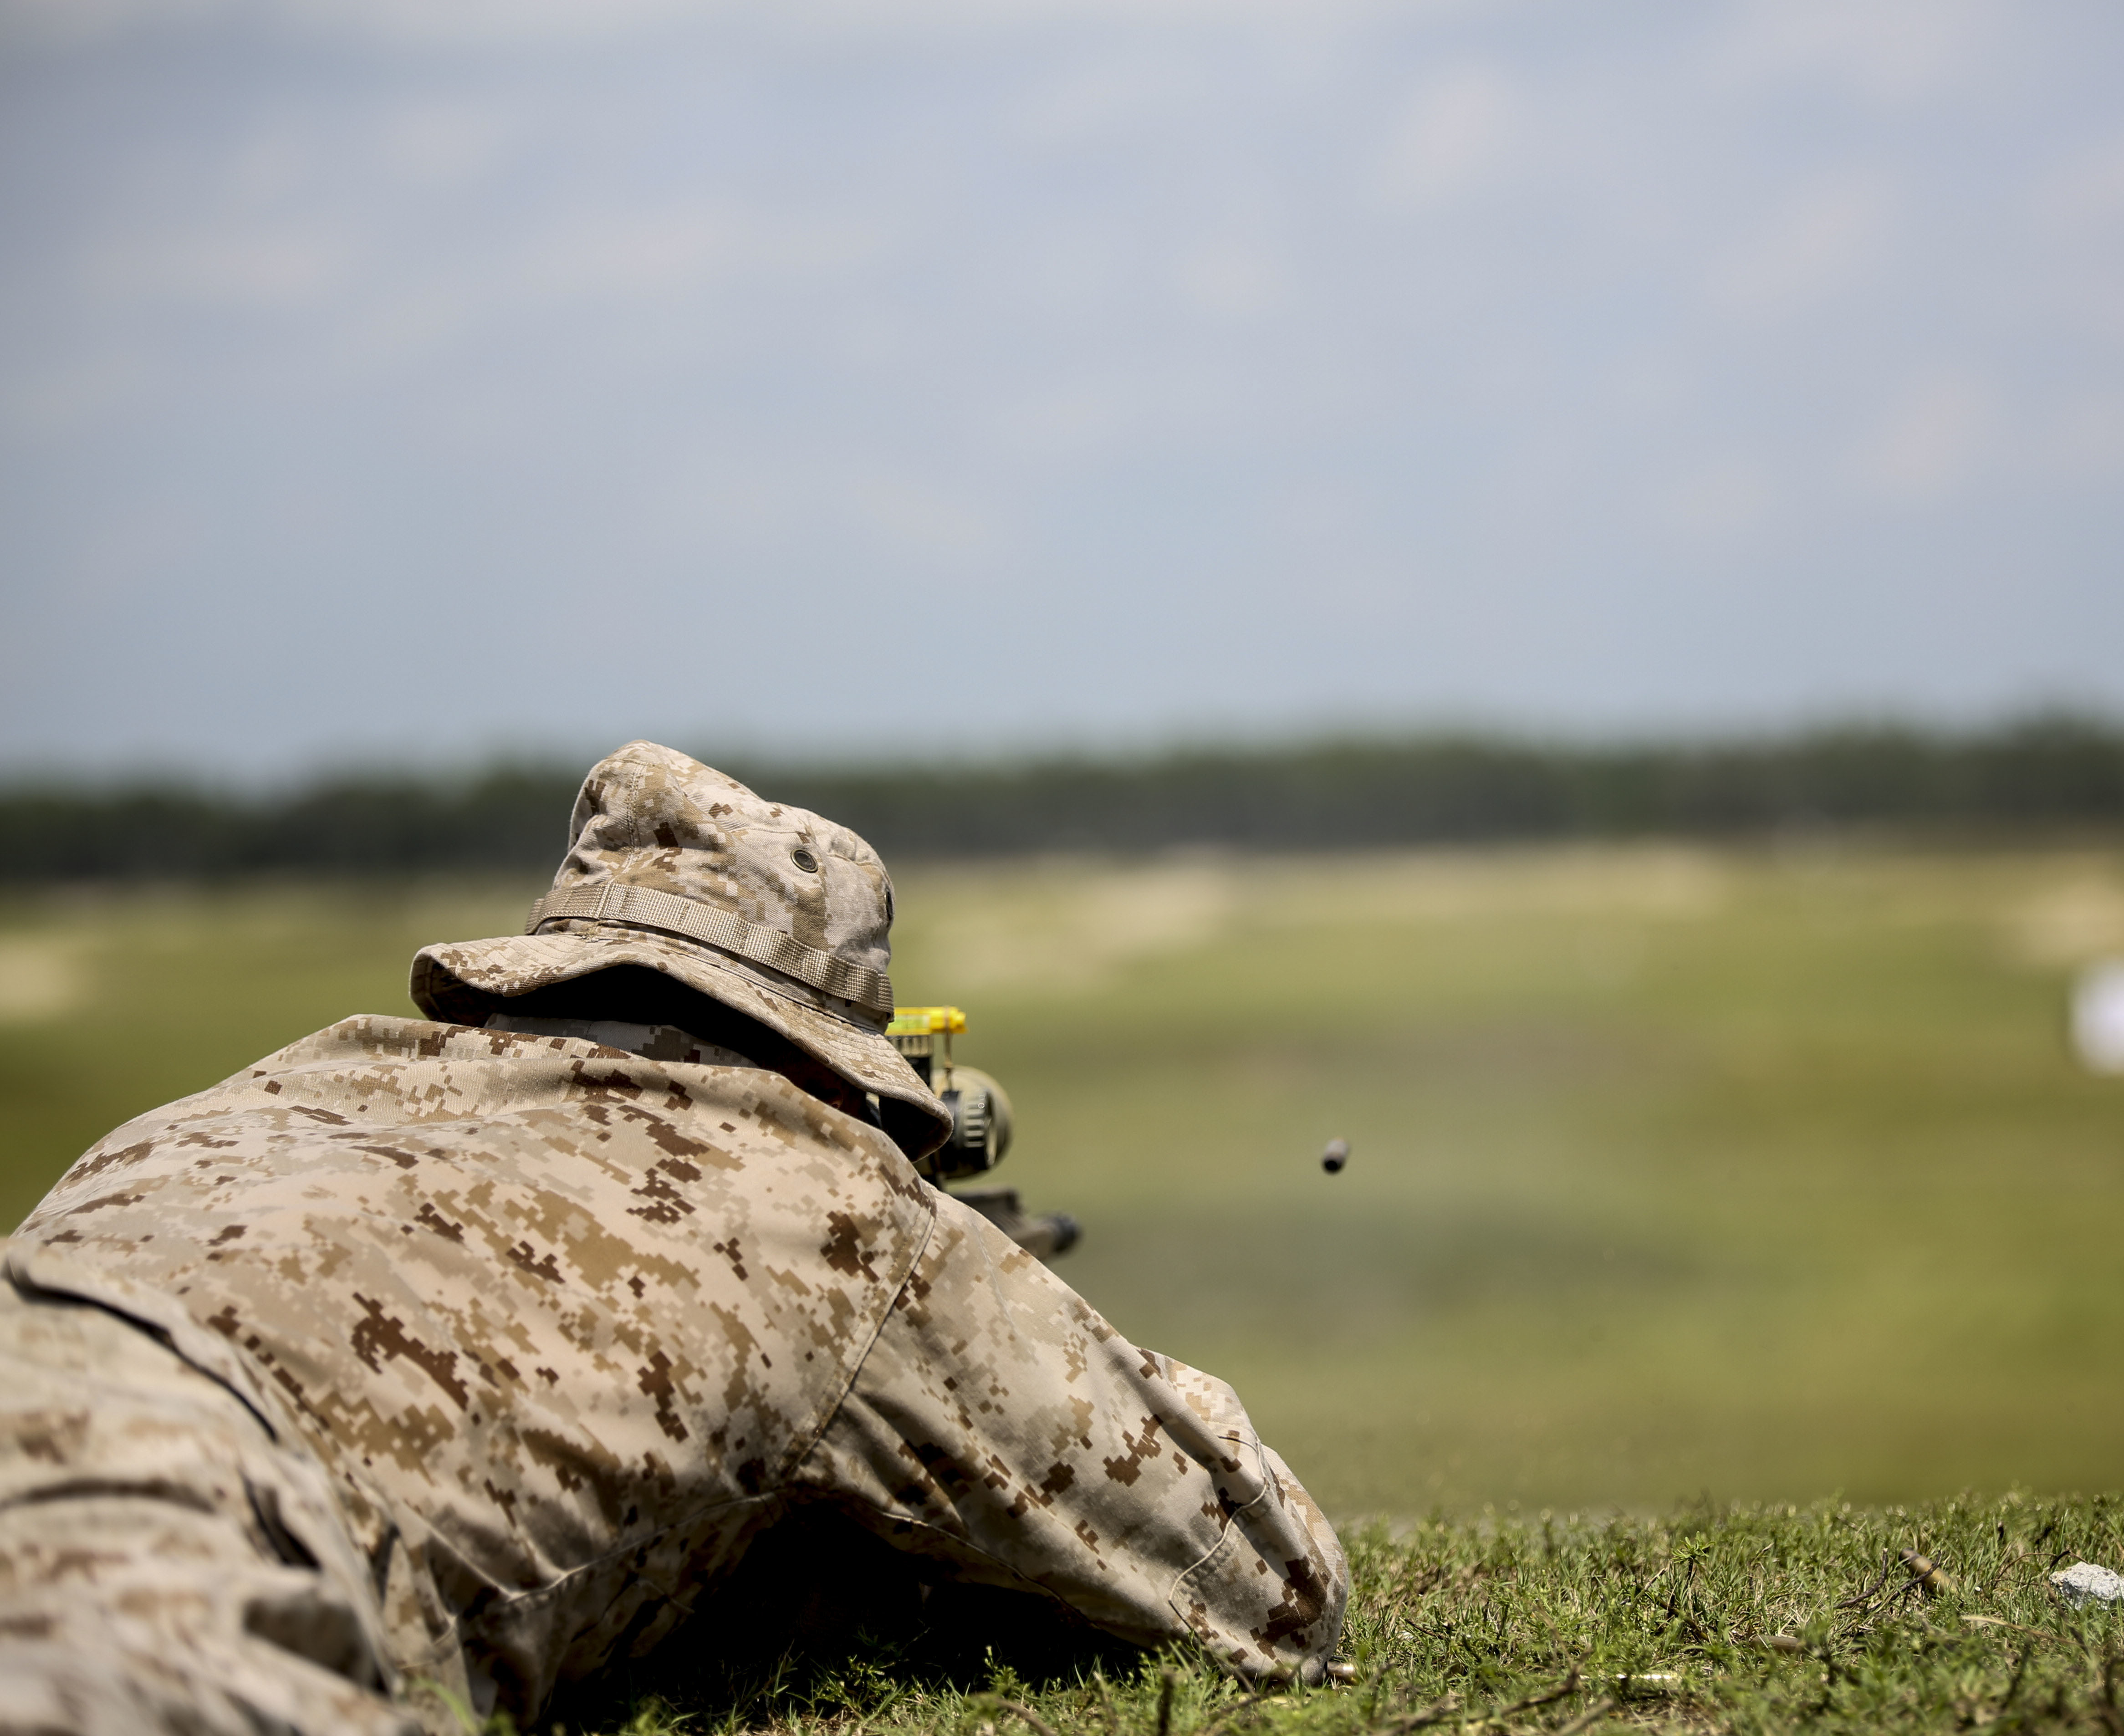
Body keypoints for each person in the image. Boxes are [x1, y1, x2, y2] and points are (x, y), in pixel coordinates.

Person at [0, 743, 1346, 1734]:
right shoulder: (821, 1190)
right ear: (830, 1058)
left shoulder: (274, 1084)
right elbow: (1274, 1592)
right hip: (148, 1538)